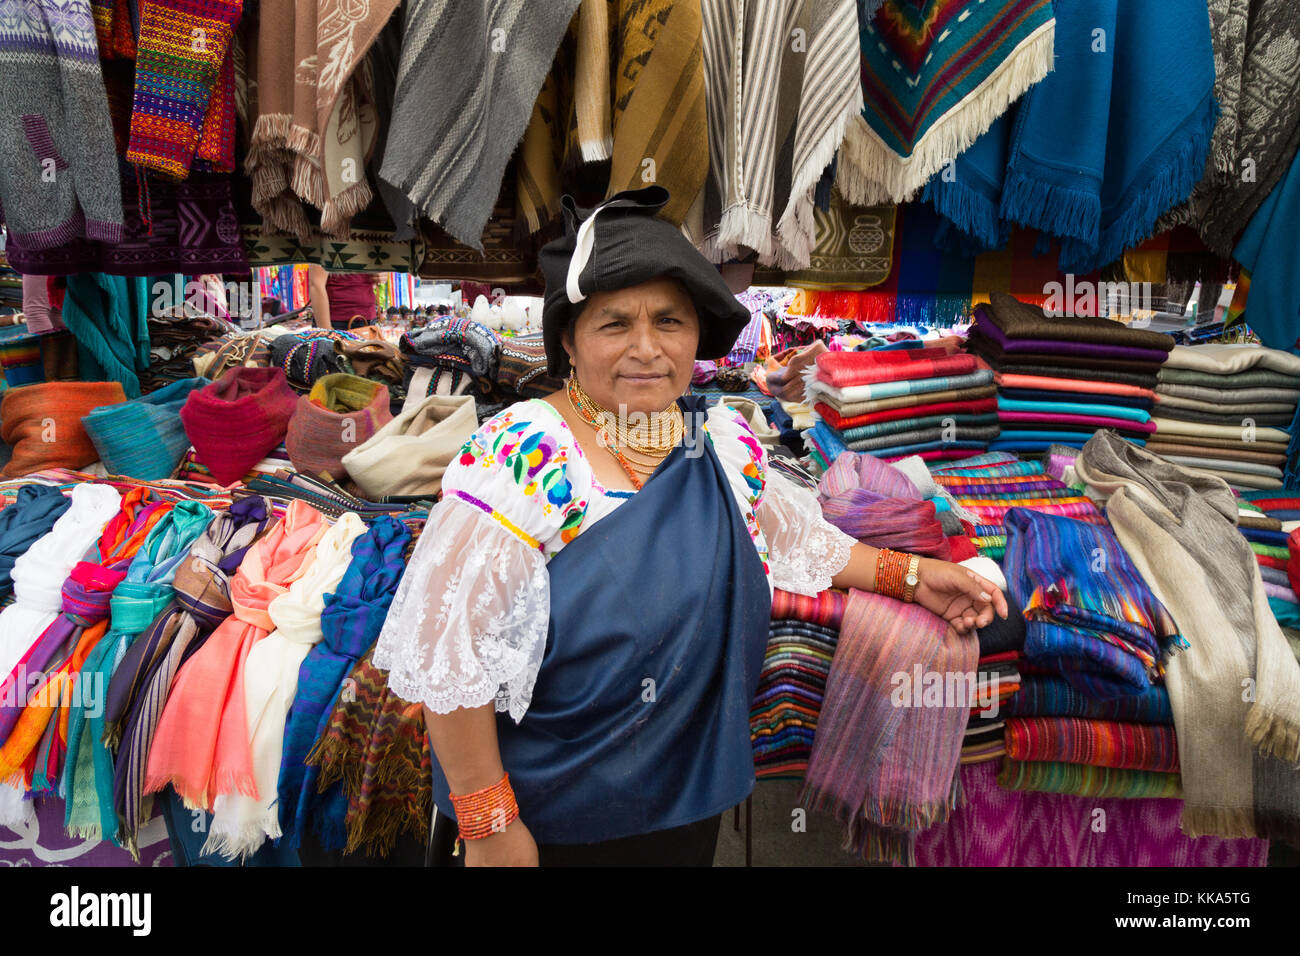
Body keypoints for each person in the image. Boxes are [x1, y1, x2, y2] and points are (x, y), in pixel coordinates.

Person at [373, 186, 1007, 867]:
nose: (646, 349)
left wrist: (915, 576)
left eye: (669, 322)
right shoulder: (524, 455)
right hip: (544, 821)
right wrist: (490, 823)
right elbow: (447, 652)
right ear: (568, 338)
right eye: (615, 323)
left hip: (683, 806)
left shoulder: (724, 445)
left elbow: (797, 543)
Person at [307, 264, 380, 331]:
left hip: (368, 318)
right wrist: (326, 330)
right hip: (337, 322)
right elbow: (316, 284)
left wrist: (380, 275)